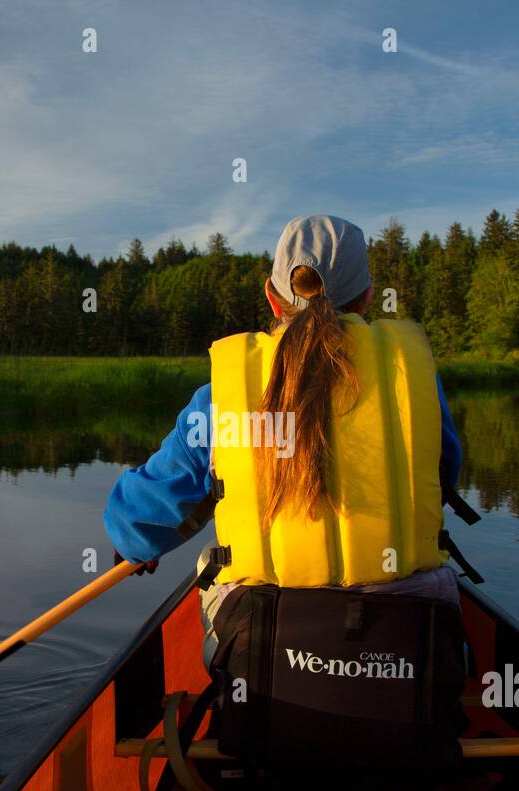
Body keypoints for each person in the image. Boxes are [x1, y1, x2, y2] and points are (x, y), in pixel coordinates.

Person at [105, 215, 467, 671]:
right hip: (408, 638)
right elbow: (443, 475)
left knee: (208, 564)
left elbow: (153, 503)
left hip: (269, 641)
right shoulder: (411, 381)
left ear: (272, 298)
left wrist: (130, 539)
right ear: (367, 298)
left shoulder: (224, 397)